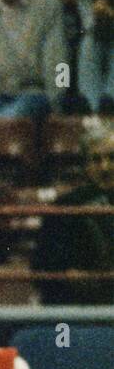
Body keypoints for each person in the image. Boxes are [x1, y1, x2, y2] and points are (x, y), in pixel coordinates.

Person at [32, 121, 114, 305]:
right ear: (86, 165)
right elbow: (42, 266)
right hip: (78, 305)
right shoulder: (65, 206)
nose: (105, 167)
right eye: (96, 159)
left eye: (112, 158)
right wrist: (67, 274)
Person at [73, 0, 114, 114]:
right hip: (96, 32)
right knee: (88, 42)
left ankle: (111, 99)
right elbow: (87, 20)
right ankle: (90, 104)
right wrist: (98, 16)